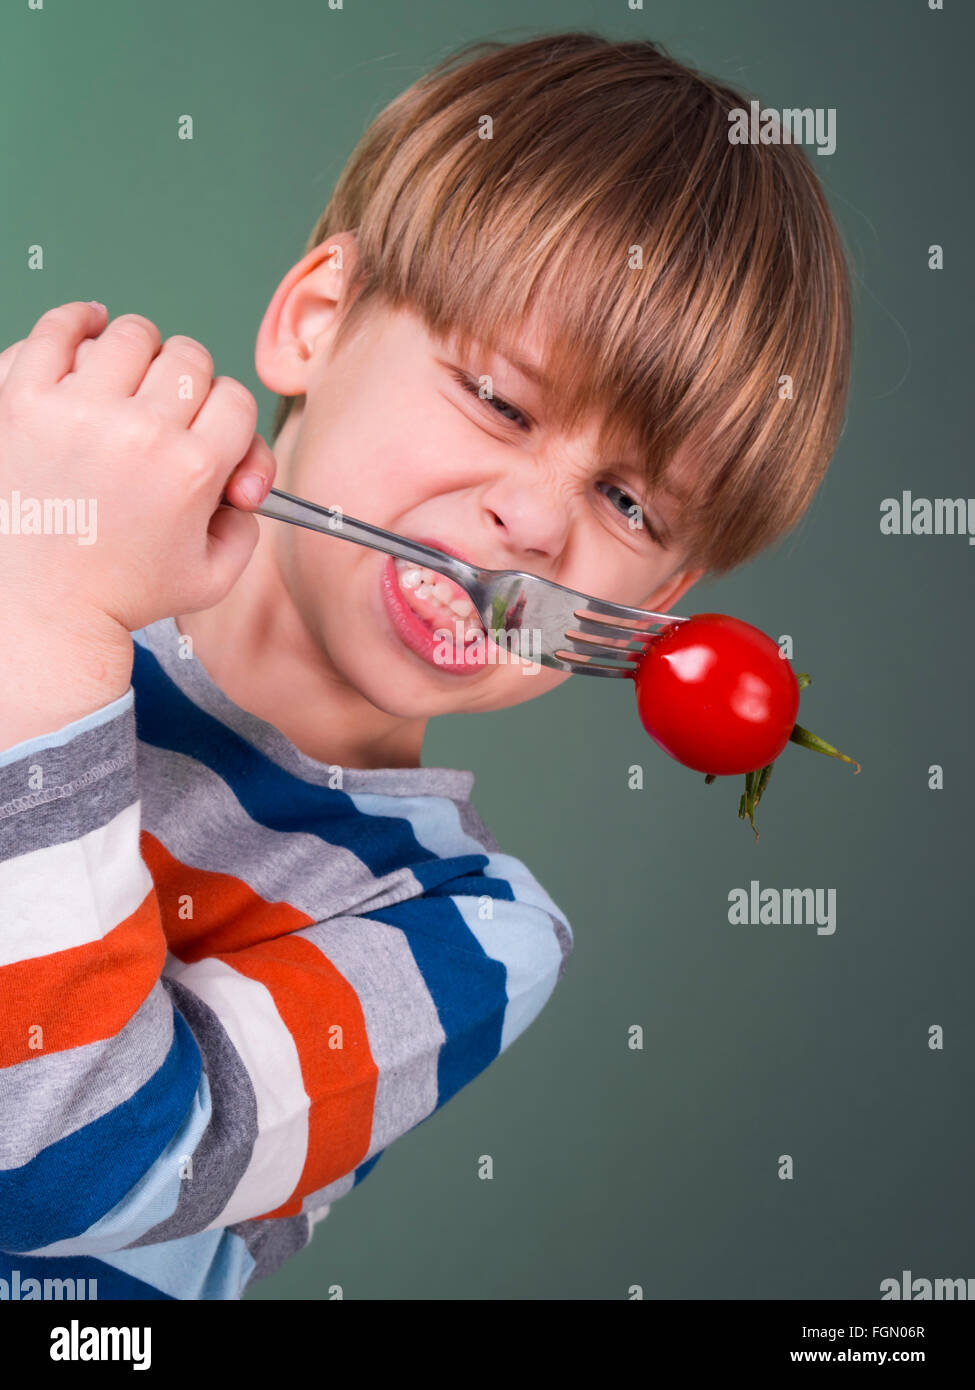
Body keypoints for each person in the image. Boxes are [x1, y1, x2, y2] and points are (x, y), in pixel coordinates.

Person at [0, 32, 851, 1300]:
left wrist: (43, 619)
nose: (535, 520)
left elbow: (75, 1166)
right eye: (501, 402)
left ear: (659, 608)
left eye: (626, 502)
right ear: (317, 323)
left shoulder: (472, 933)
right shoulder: (39, 566)